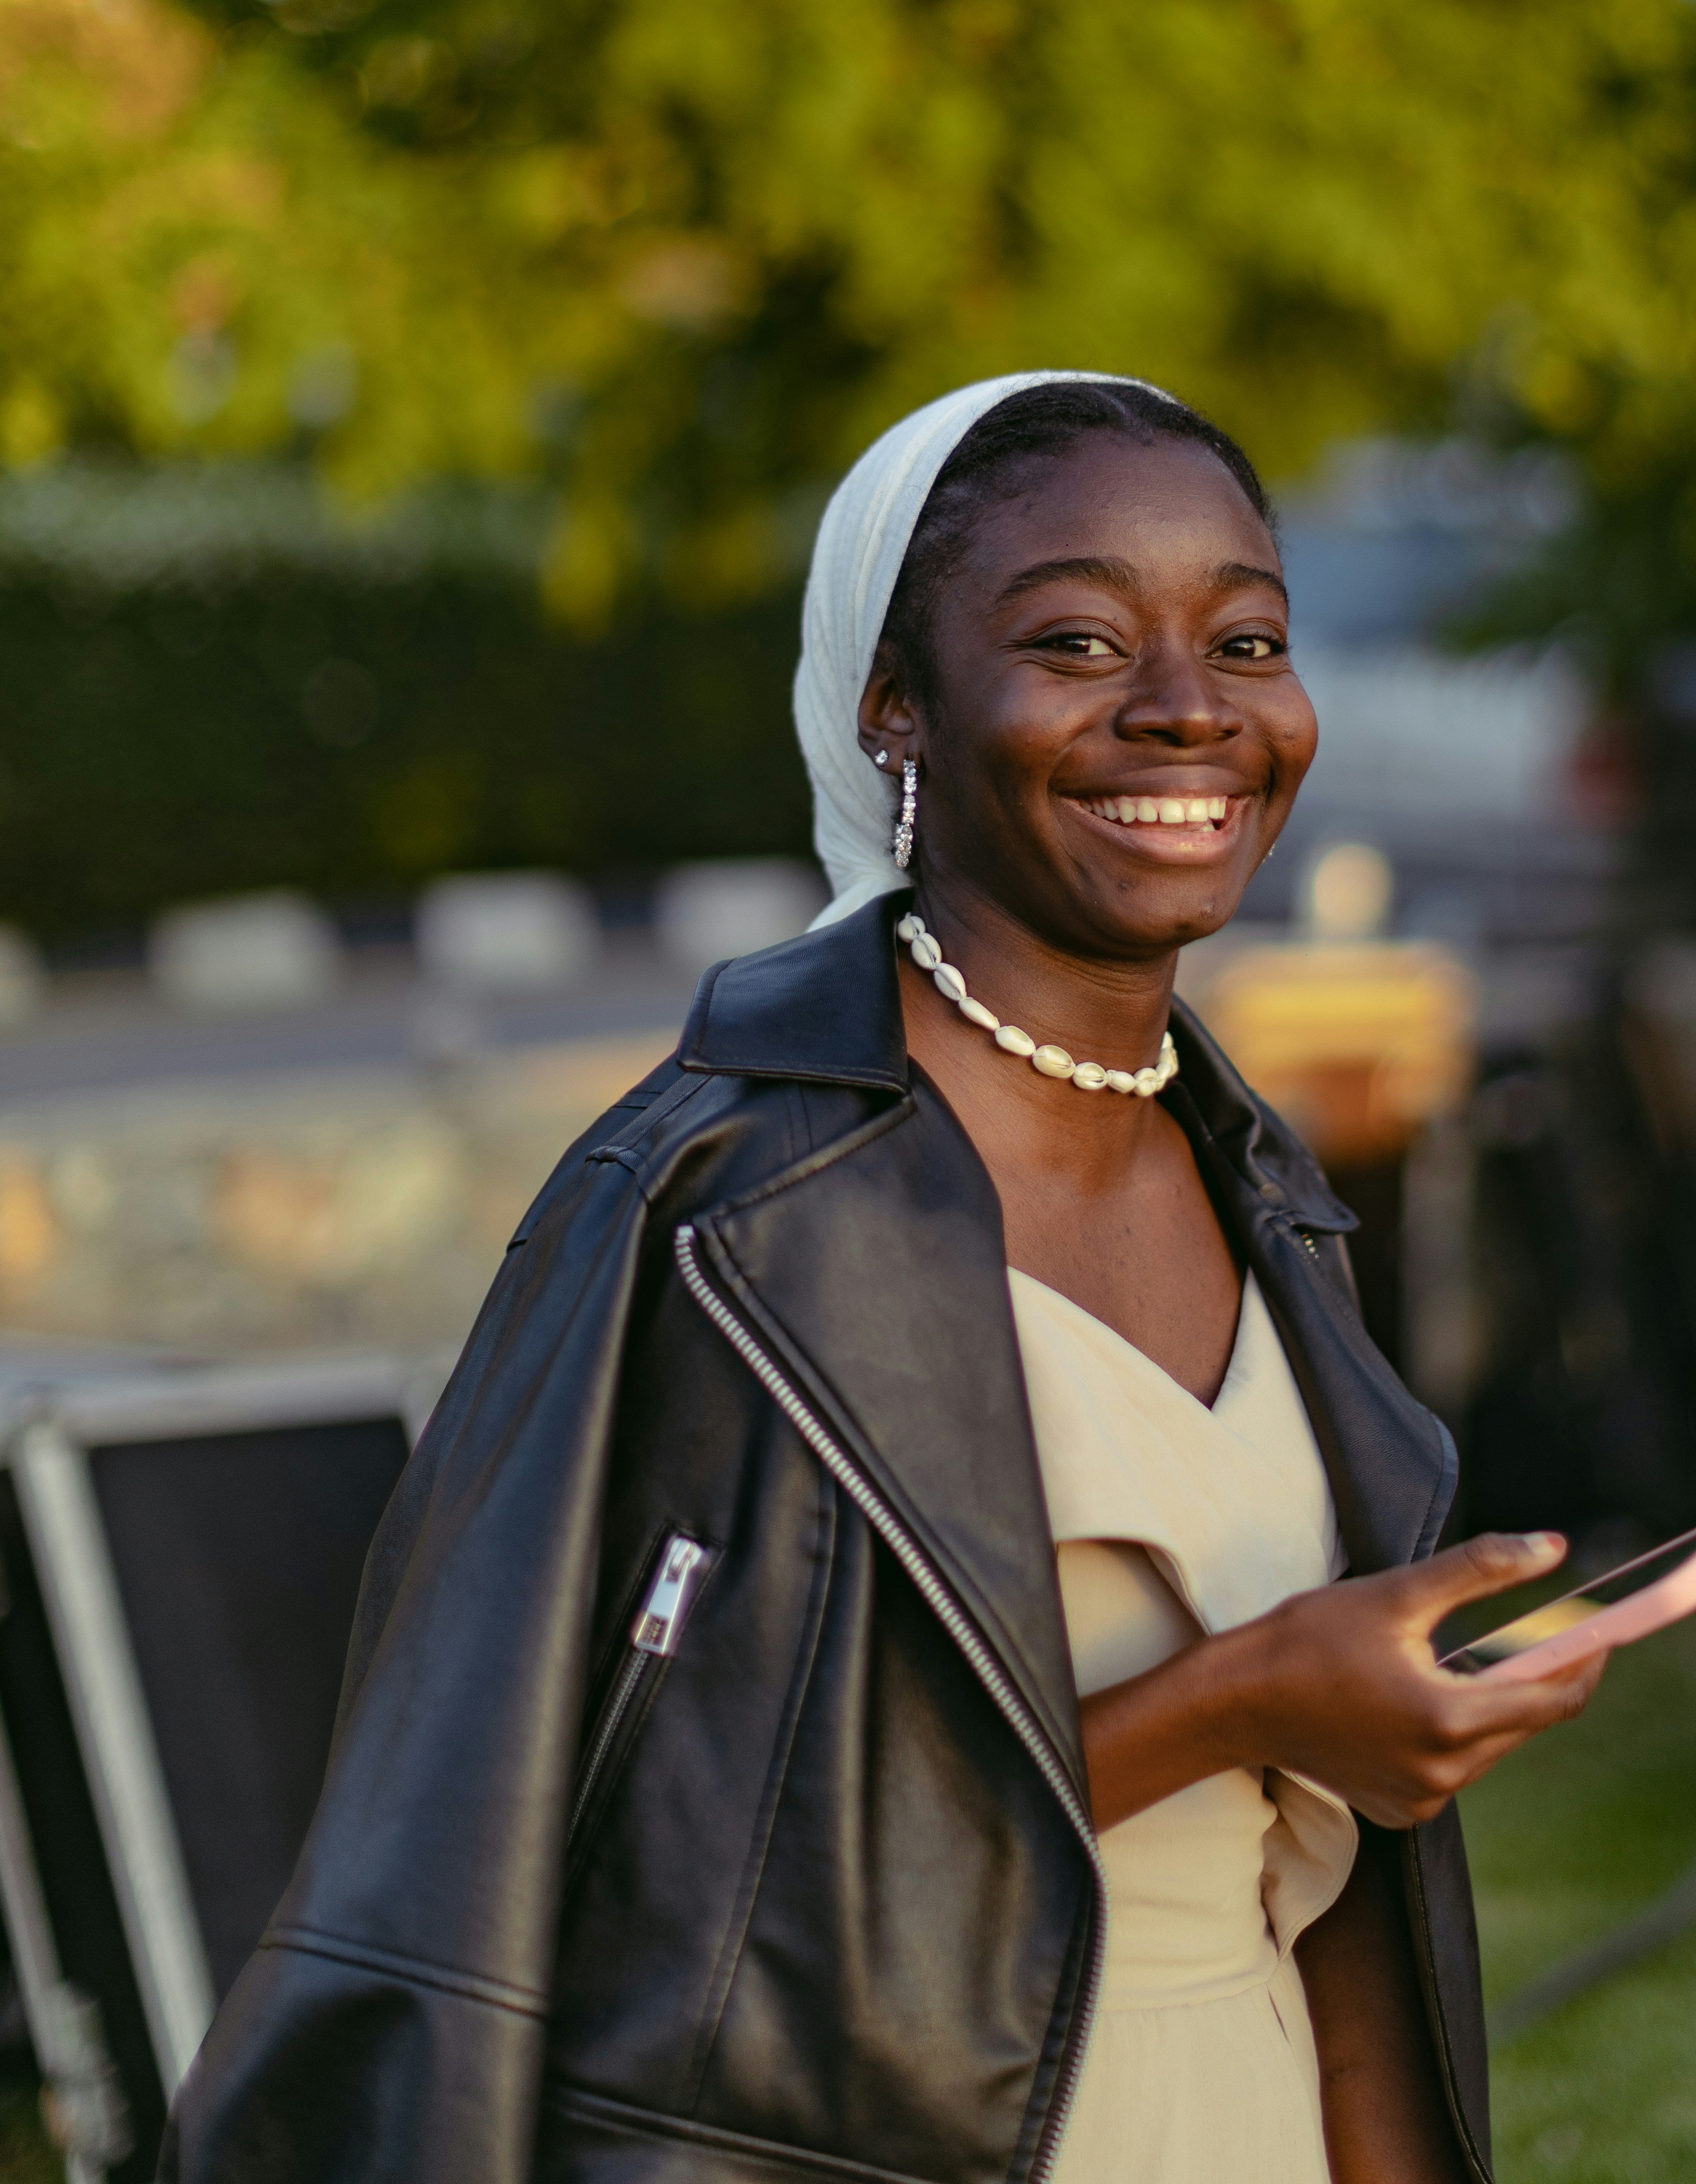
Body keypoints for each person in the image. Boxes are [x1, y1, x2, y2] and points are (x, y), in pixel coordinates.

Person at [161, 372, 1604, 2184]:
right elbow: (642, 1887)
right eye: (1078, 638)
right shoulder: (708, 1206)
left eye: (1246, 639)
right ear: (895, 709)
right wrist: (1243, 1698)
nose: (1187, 709)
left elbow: (1333, 1913)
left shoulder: (1269, 1200)